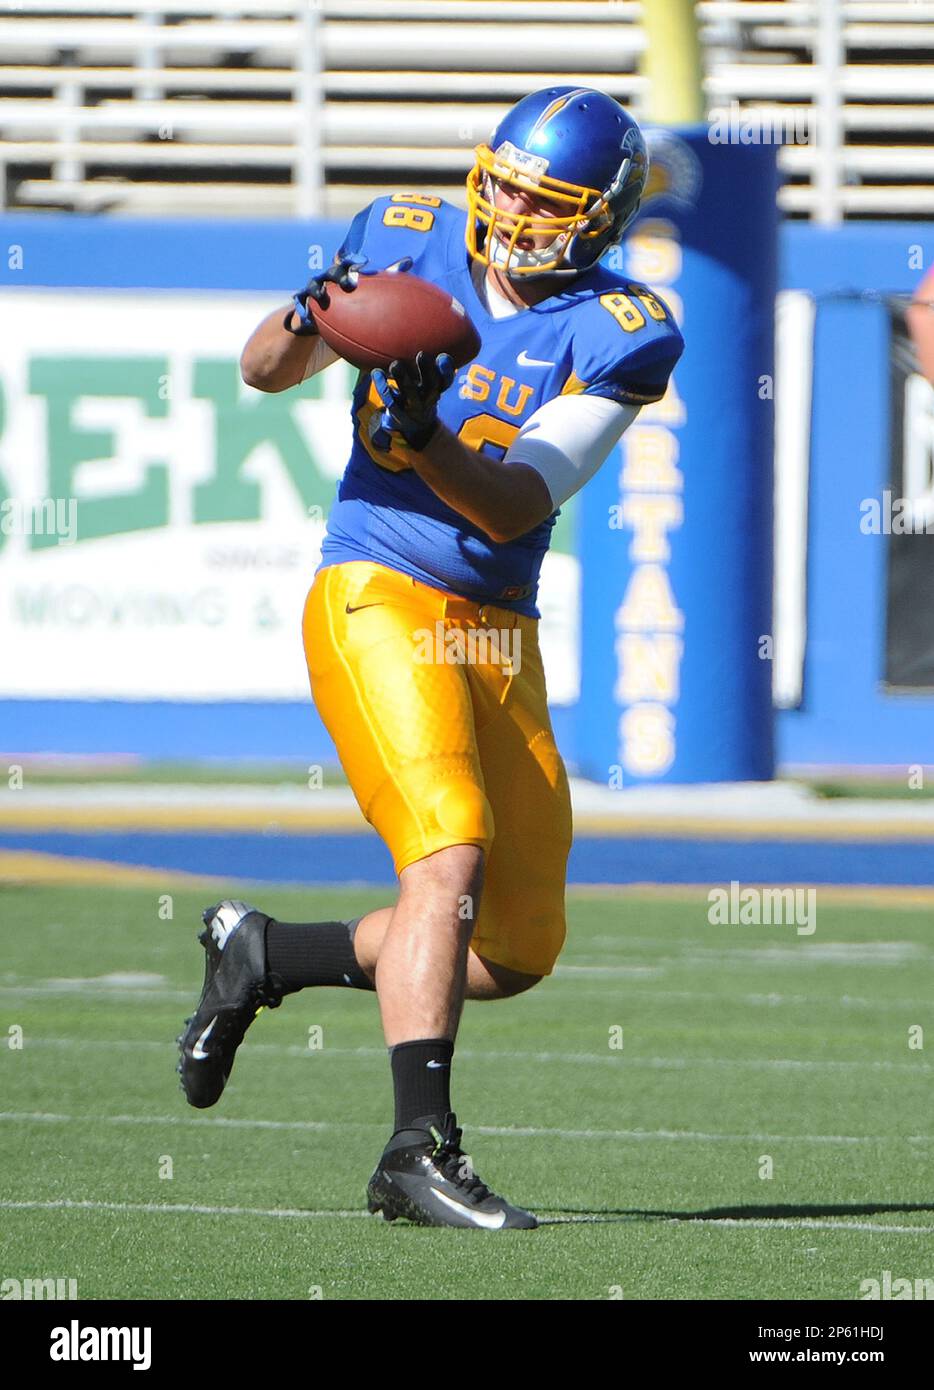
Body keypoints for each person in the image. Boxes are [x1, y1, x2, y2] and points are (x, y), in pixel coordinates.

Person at [178, 86, 684, 1229]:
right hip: (374, 587)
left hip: (496, 623)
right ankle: (417, 1152)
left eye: (542, 199)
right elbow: (263, 369)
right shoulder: (402, 236)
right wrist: (318, 314)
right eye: (500, 182)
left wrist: (420, 434)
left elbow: (509, 505)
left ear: (598, 215)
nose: (508, 212)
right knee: (445, 857)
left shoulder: (622, 326)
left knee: (512, 948)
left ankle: (263, 953)